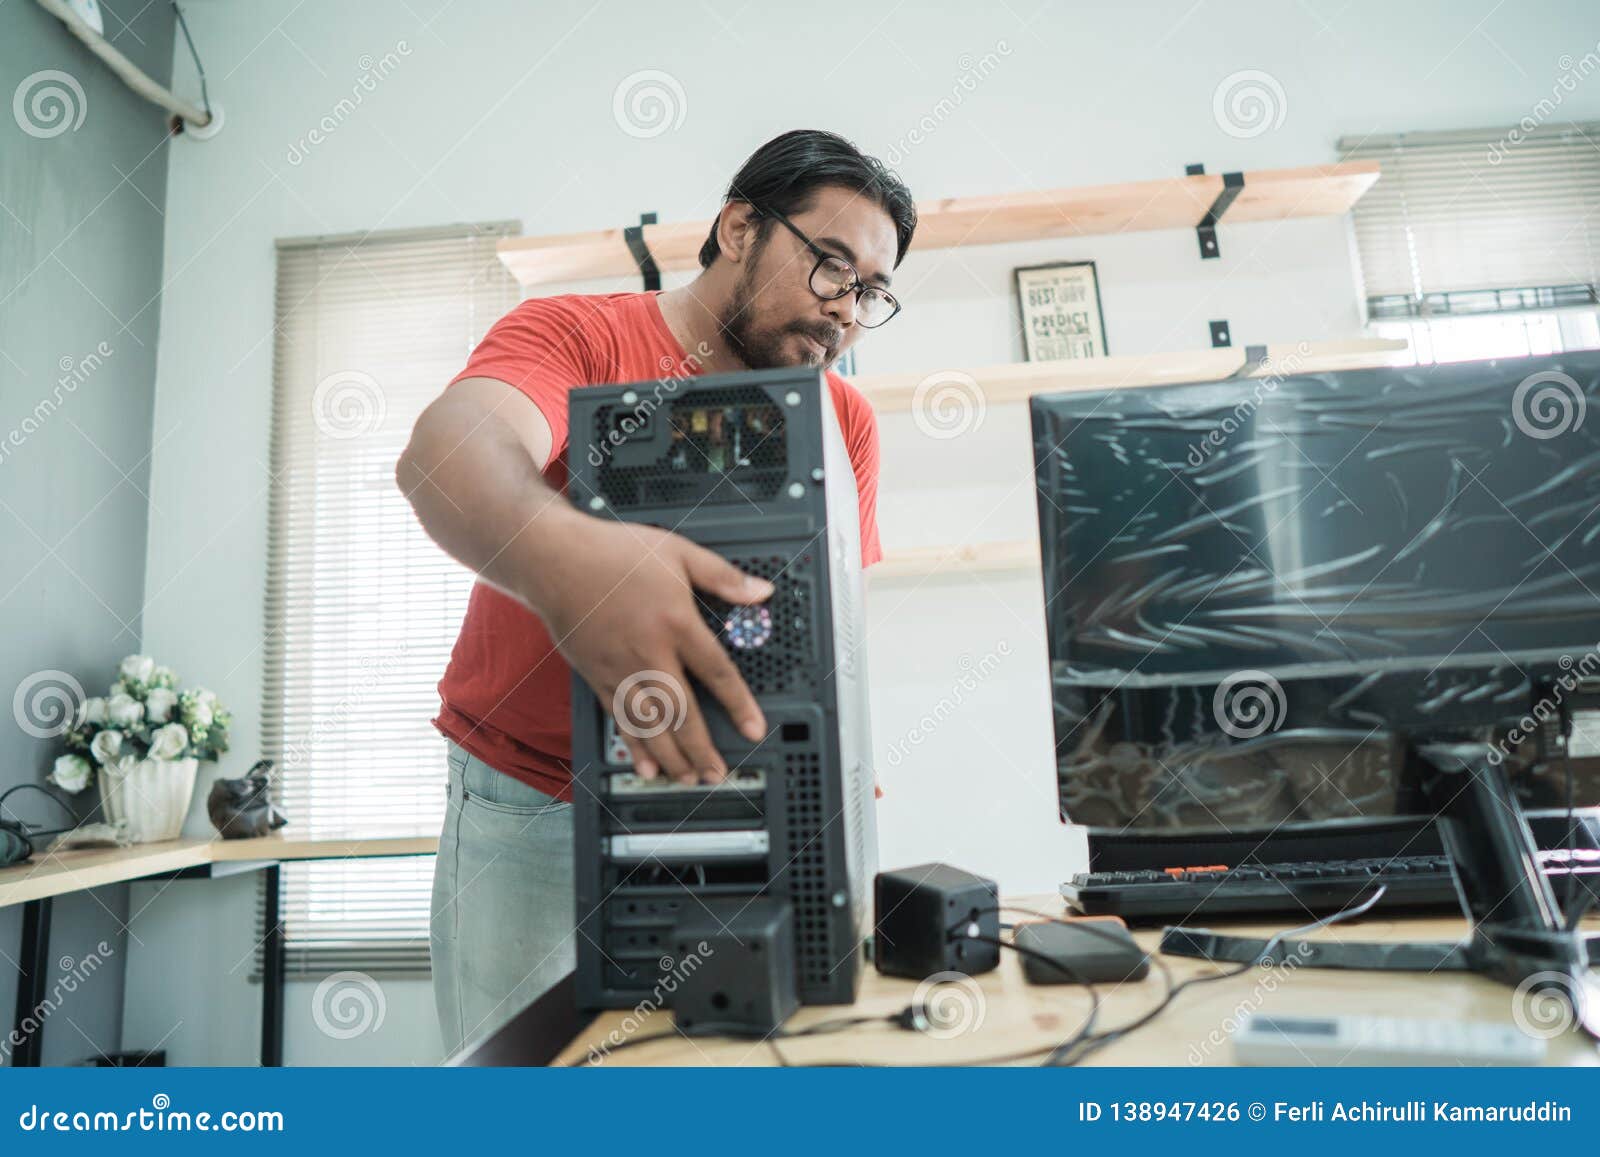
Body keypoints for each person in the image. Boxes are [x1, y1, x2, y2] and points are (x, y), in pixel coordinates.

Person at [396, 128, 917, 1055]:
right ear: (740, 228)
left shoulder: (846, 421)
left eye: (870, 291)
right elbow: (448, 455)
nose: (845, 308)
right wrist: (575, 564)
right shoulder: (578, 334)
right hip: (540, 802)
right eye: (831, 265)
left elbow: (839, 632)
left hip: (758, 801)